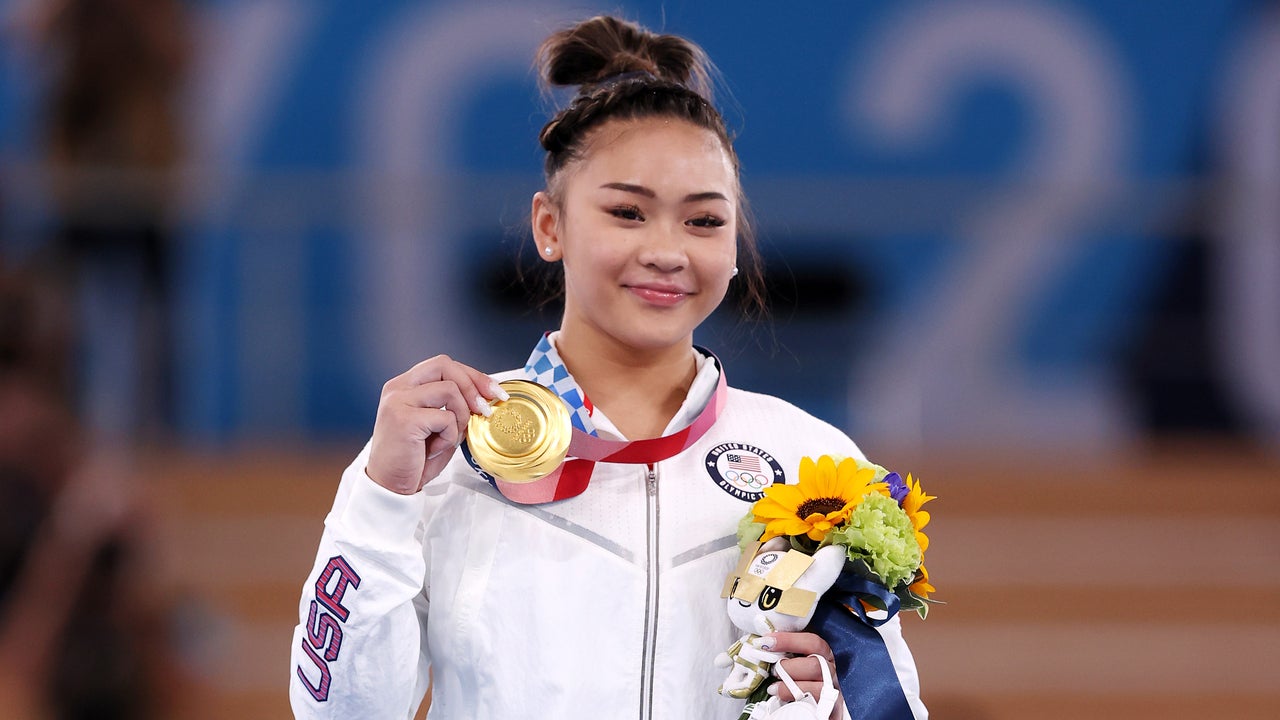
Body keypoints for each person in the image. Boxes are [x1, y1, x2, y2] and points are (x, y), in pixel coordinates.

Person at [290, 15, 927, 720]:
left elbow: (890, 706)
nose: (666, 250)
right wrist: (382, 498)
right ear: (549, 226)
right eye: (628, 212)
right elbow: (340, 714)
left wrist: (831, 709)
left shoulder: (815, 467)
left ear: (737, 245)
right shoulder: (442, 459)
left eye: (704, 221)